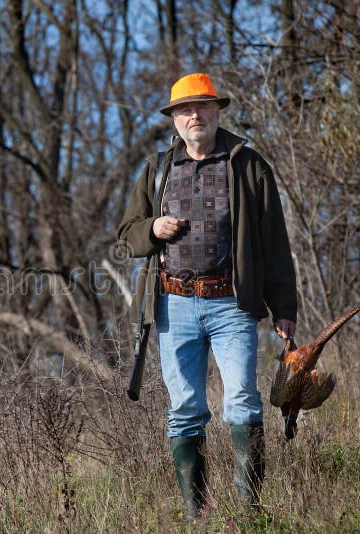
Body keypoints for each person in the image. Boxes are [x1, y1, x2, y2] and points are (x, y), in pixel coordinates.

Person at [117, 73, 297, 517]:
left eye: (202, 107)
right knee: (185, 410)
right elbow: (126, 237)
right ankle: (197, 518)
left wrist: (284, 308)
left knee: (242, 399)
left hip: (232, 303)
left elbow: (274, 242)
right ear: (174, 120)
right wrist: (152, 230)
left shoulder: (248, 165)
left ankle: (249, 514)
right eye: (184, 110)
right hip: (172, 303)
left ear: (218, 112)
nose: (193, 115)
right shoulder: (157, 169)